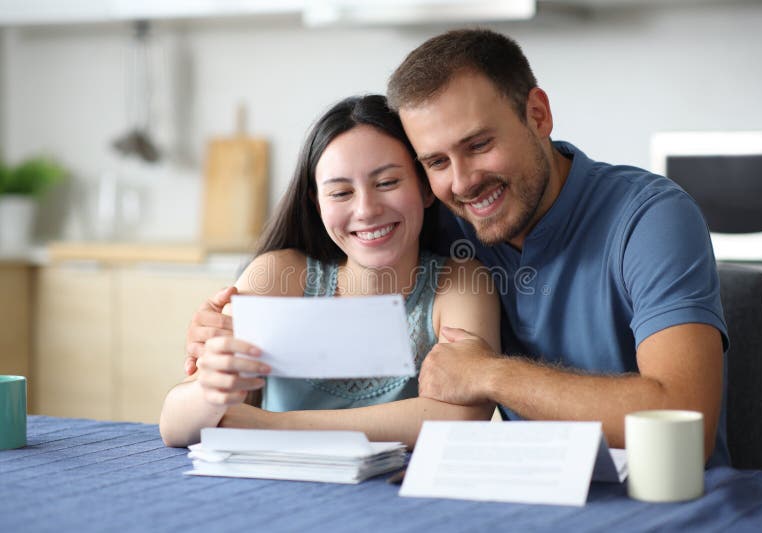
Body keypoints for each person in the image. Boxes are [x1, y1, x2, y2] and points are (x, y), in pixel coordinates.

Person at [185, 29, 730, 466]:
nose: (463, 182)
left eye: (480, 145)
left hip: (667, 501)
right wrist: (221, 334)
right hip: (526, 495)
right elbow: (355, 243)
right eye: (436, 162)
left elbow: (686, 422)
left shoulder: (650, 217)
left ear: (537, 114)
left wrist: (489, 373)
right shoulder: (443, 221)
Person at [160, 95, 499, 448]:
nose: (366, 210)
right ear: (316, 202)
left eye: (387, 183)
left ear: (424, 188)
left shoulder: (460, 283)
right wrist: (210, 391)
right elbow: (174, 427)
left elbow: (461, 417)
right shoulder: (279, 277)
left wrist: (272, 427)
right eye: (340, 192)